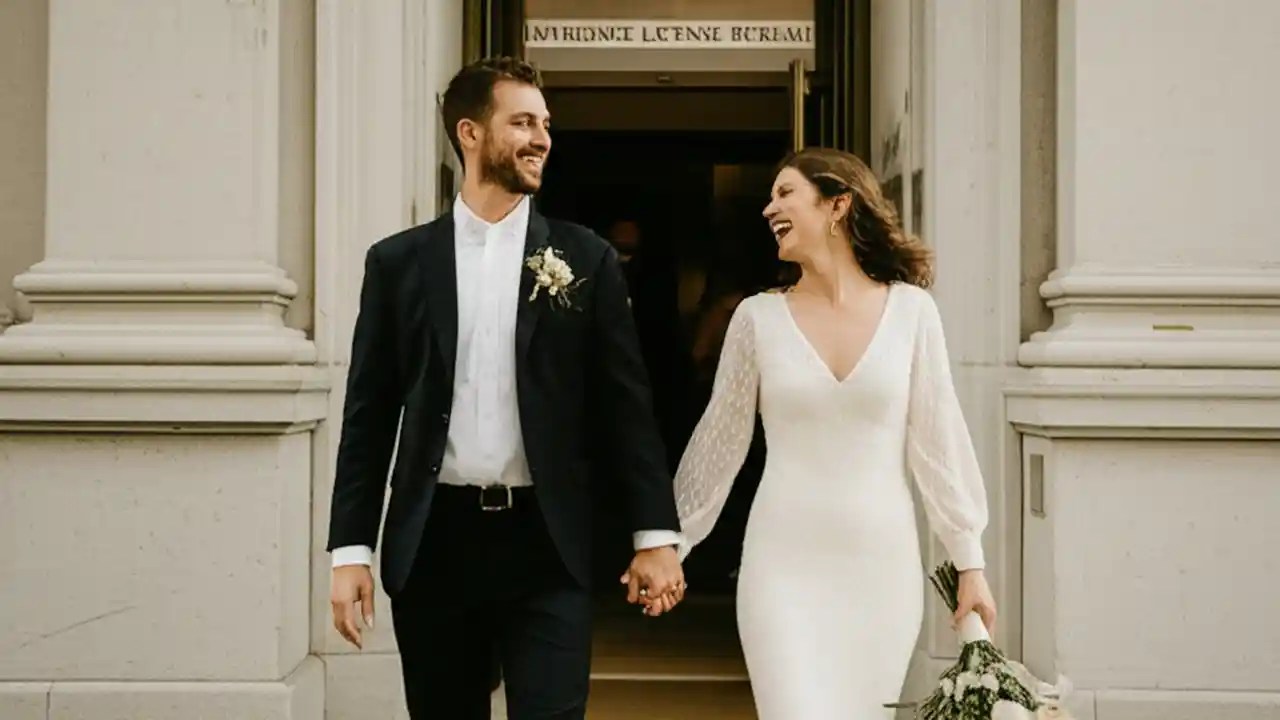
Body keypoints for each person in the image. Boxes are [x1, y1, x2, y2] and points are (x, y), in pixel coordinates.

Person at [325, 56, 686, 720]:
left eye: (545, 124)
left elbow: (626, 409)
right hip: (435, 541)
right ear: (470, 133)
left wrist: (655, 534)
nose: (542, 138)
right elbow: (369, 415)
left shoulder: (587, 259)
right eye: (521, 122)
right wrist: (352, 550)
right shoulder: (397, 263)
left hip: (549, 542)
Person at [673, 147, 996, 718]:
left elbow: (939, 444)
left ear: (838, 204)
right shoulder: (756, 319)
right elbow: (719, 443)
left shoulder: (913, 312)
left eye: (785, 193)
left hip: (881, 570)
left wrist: (969, 562)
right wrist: (673, 544)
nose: (770, 207)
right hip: (781, 568)